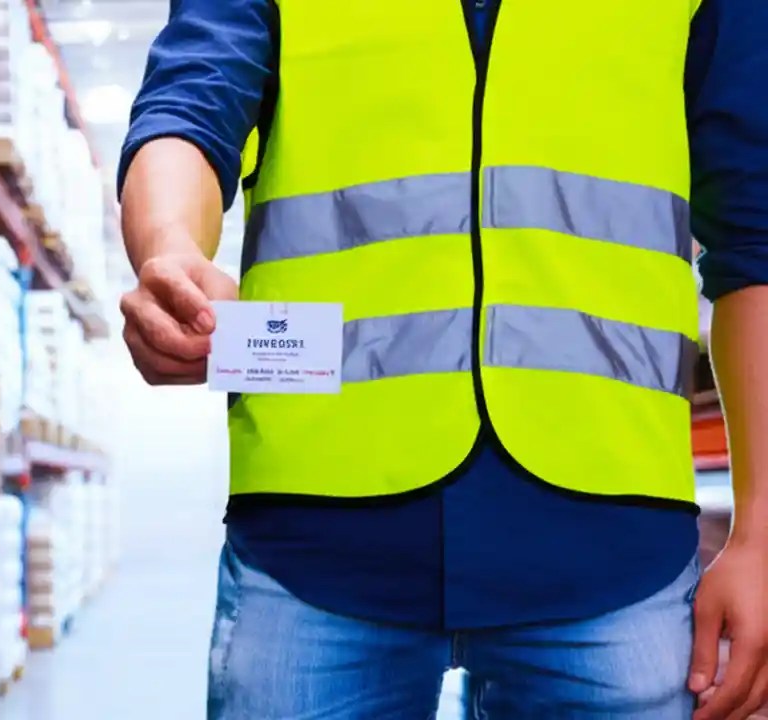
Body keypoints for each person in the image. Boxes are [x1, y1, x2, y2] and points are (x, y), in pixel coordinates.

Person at [117, 1, 768, 718]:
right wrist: (169, 245)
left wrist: (762, 534)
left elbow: (756, 229)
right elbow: (191, 101)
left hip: (613, 548)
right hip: (315, 537)